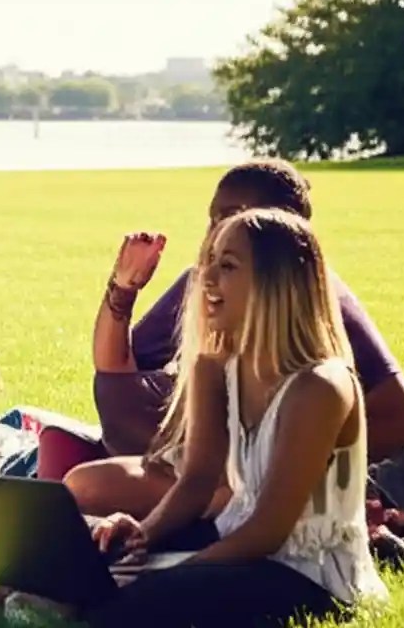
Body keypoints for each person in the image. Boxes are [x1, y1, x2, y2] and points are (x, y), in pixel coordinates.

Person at [60, 207, 387, 627]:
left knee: (126, 607)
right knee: (96, 566)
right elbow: (195, 482)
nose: (206, 279)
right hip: (234, 540)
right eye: (209, 262)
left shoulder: (320, 386)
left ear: (277, 283)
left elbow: (270, 529)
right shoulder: (214, 368)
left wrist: (174, 570)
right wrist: (144, 534)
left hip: (309, 572)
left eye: (227, 266)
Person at [56, 159, 404, 518]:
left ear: (281, 229)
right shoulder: (204, 286)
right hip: (206, 470)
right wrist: (124, 287)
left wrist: (291, 467)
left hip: (264, 482)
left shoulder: (321, 306)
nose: (214, 231)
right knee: (84, 483)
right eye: (212, 218)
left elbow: (401, 418)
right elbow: (116, 372)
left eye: (230, 216)